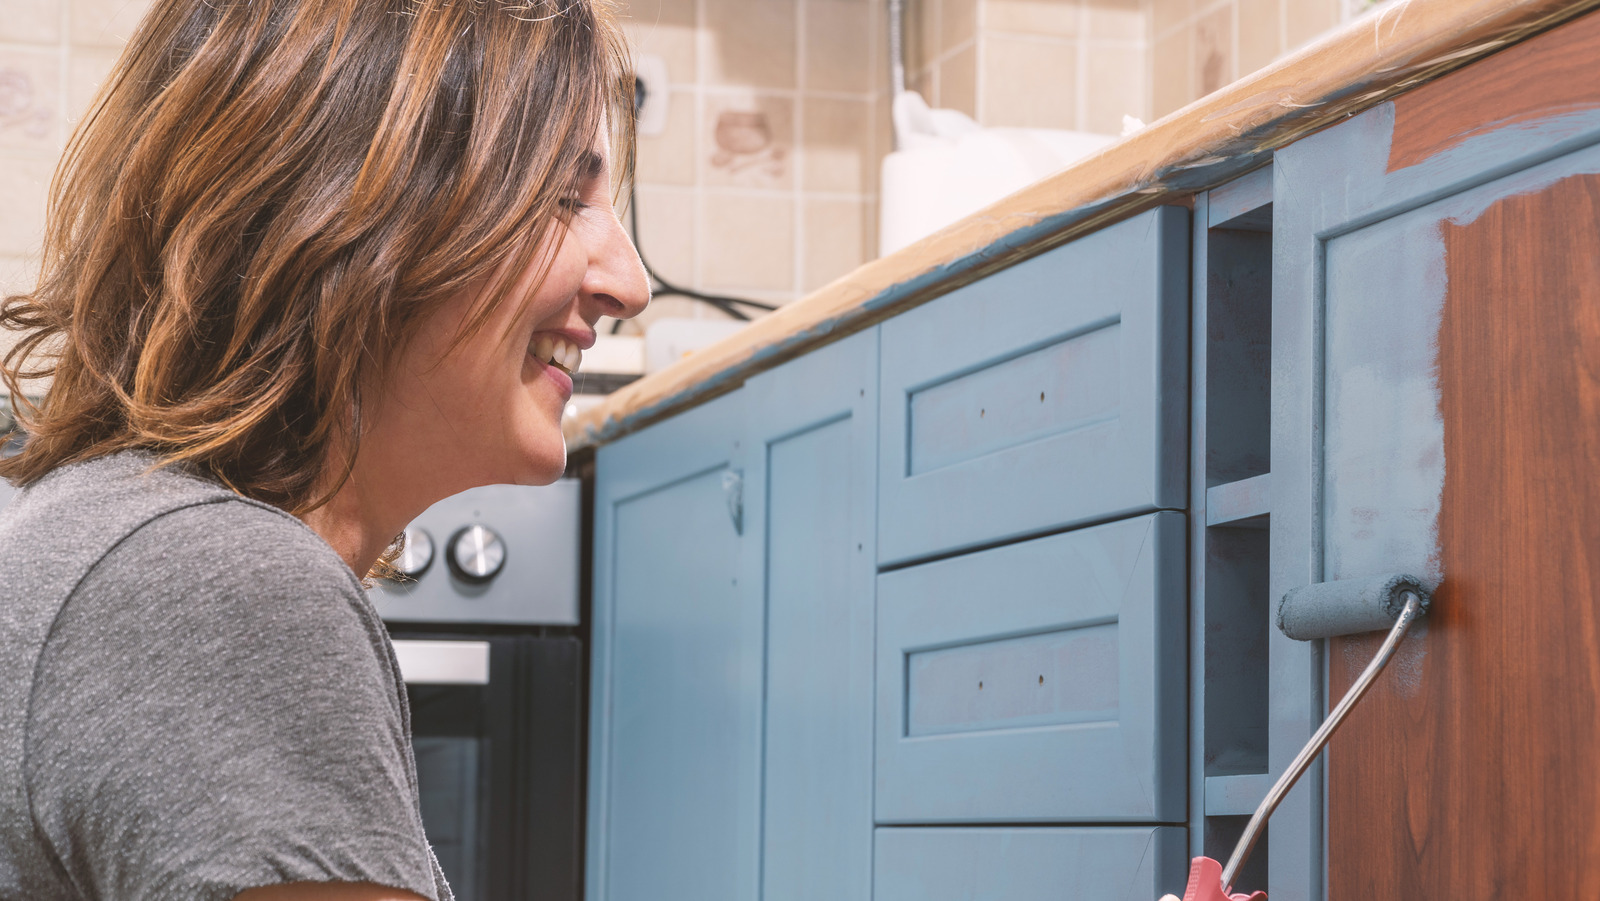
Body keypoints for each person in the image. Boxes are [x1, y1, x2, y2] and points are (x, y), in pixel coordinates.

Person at [0, 1, 648, 899]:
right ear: (345, 204)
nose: (631, 283)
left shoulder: (122, 533)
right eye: (559, 197)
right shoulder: (220, 590)